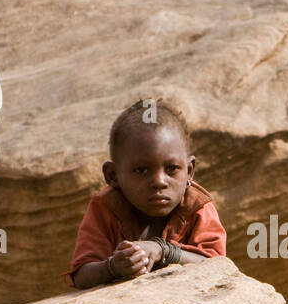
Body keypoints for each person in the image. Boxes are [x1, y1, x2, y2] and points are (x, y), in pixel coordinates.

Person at [65, 99, 226, 289]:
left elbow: (218, 266)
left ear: (189, 171)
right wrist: (113, 267)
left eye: (172, 168)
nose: (159, 181)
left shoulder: (197, 206)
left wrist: (163, 251)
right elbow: (82, 275)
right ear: (112, 176)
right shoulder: (107, 207)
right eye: (142, 170)